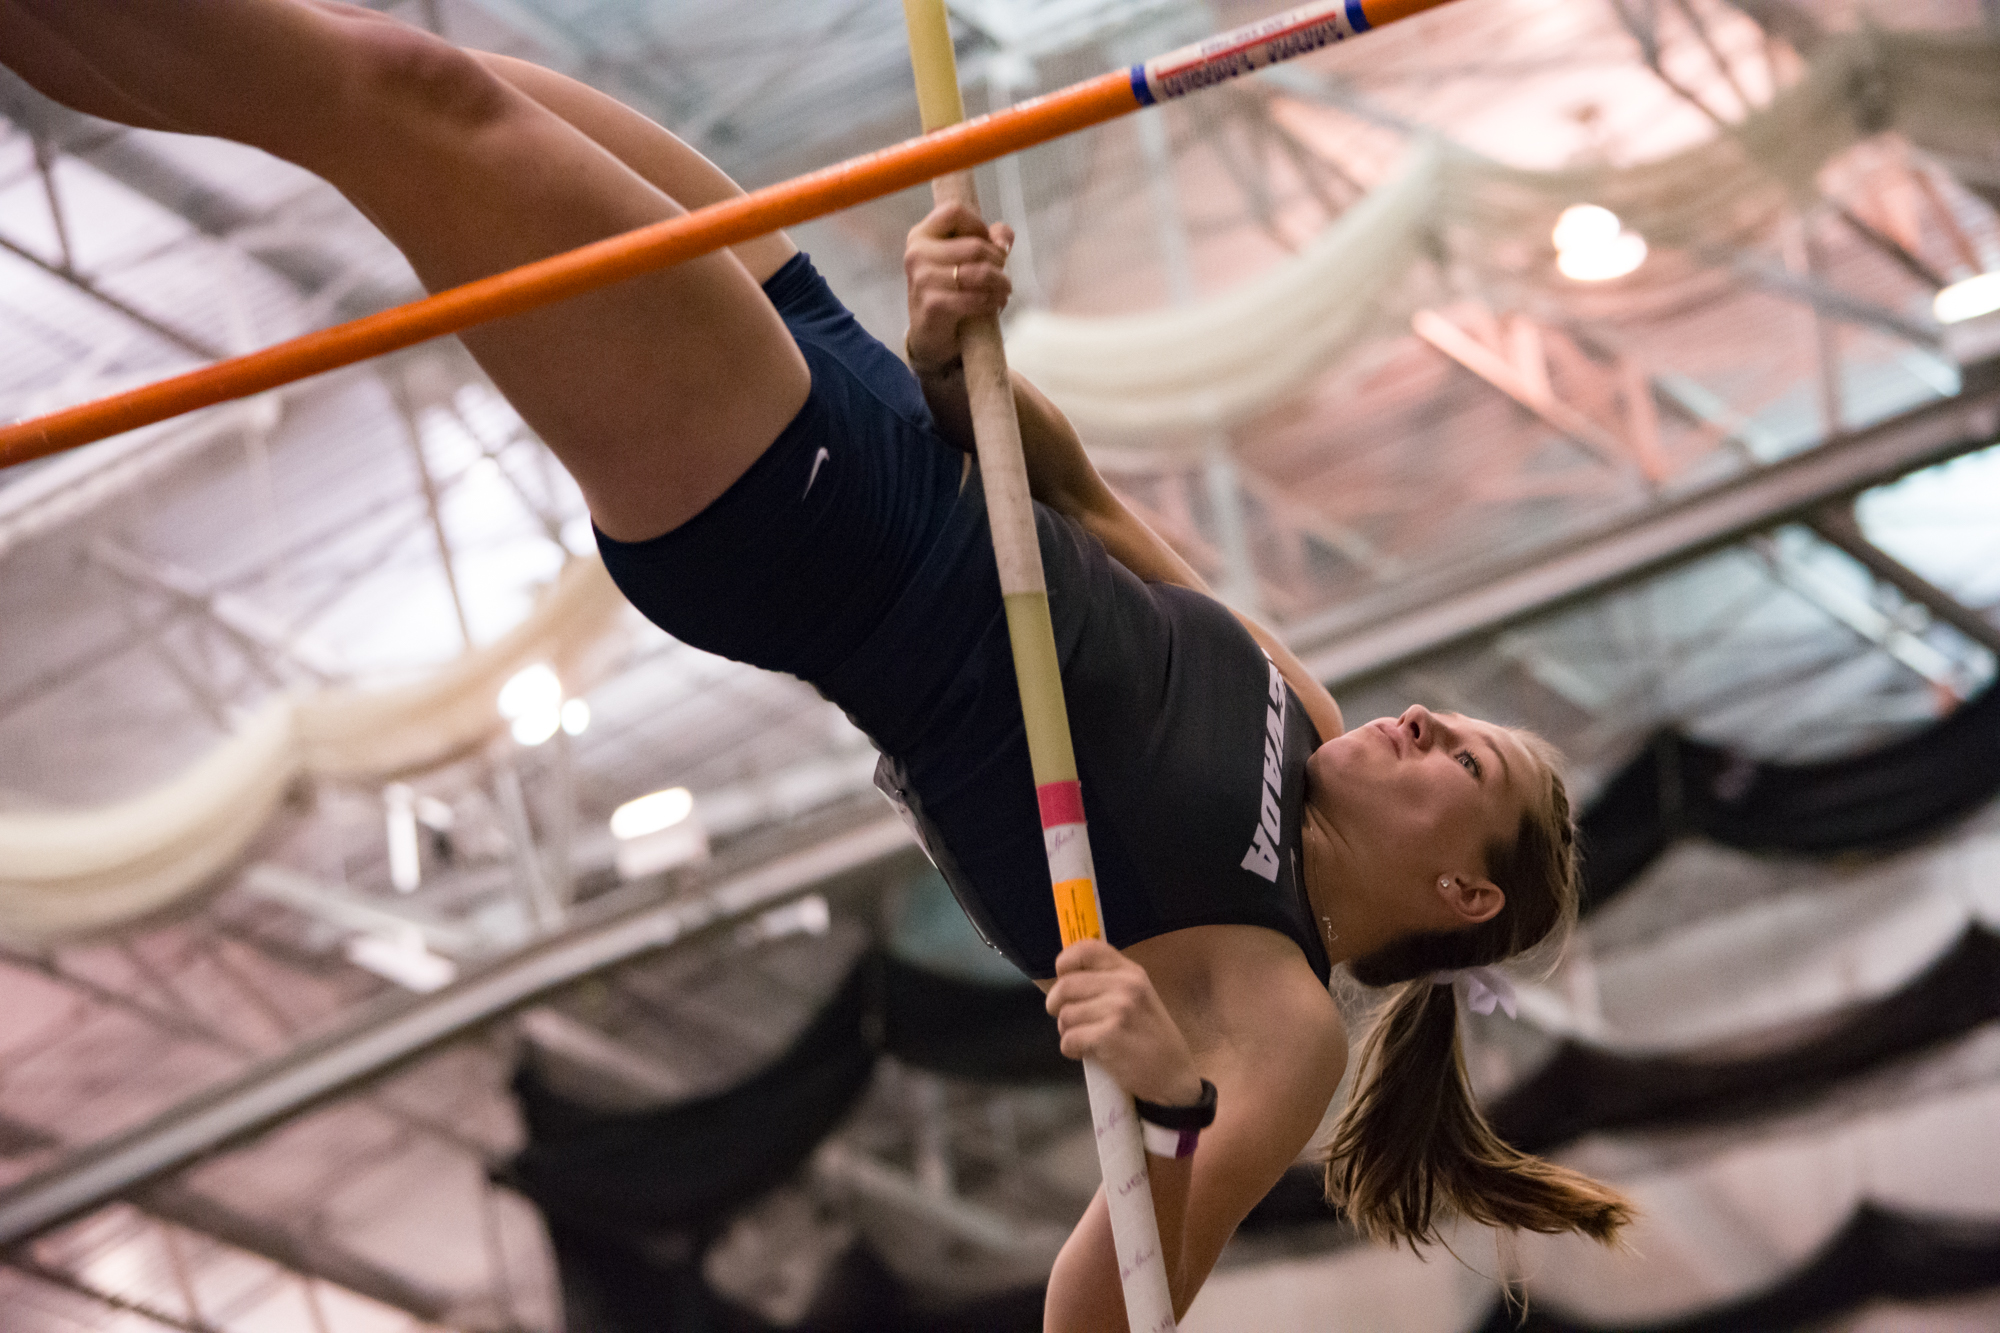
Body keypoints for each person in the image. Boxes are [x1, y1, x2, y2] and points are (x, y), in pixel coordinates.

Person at [0, 3, 1631, 1325]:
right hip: (864, 396)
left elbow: (1098, 1307)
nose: (1427, 720)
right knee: (399, 72)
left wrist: (1168, 1108)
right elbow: (1067, 489)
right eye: (1462, 724)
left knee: (411, 100)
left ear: (1460, 896)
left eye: (1462, 765)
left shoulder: (1281, 1018)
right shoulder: (1304, 697)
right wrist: (948, 345)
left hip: (804, 527)